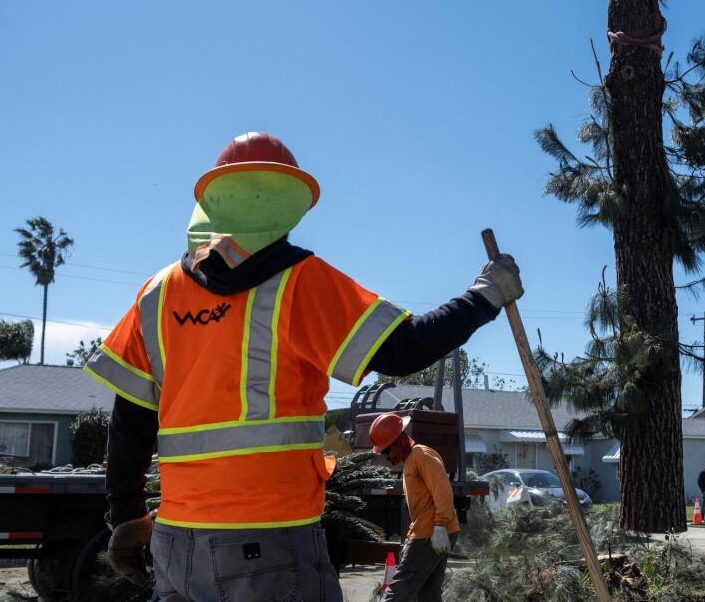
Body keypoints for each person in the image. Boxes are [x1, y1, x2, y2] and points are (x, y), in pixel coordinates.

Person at [88, 132, 523, 601]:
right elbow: (404, 350)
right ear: (291, 205)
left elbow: (130, 419)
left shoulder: (157, 295)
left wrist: (128, 516)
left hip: (177, 542)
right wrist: (486, 296)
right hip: (272, 539)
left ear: (214, 201)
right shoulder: (299, 282)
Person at [369, 412, 457, 601]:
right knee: (428, 594)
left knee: (399, 588)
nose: (387, 458)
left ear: (398, 441)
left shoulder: (421, 455)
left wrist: (440, 526)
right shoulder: (410, 461)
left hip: (430, 533)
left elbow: (443, 489)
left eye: (387, 451)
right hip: (433, 532)